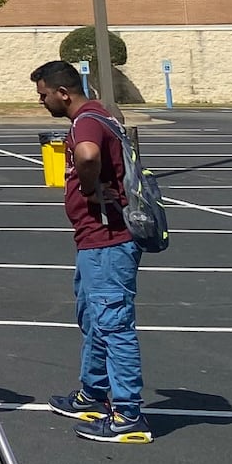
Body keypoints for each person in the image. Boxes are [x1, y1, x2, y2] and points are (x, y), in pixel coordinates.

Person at [33, 59, 150, 444]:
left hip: (107, 241)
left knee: (113, 324)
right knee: (93, 318)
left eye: (44, 94)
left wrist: (87, 188)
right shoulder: (101, 114)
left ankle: (127, 415)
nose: (42, 101)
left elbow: (86, 156)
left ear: (63, 92)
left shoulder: (85, 122)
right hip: (93, 241)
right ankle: (92, 393)